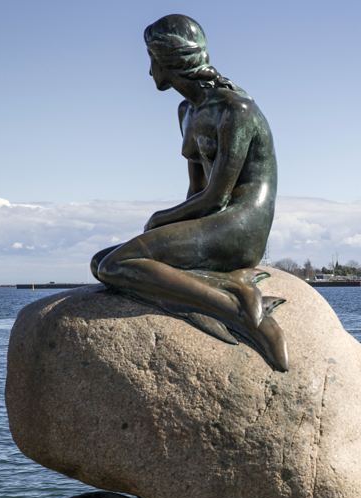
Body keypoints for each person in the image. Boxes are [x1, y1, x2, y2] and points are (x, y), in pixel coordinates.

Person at [91, 15, 287, 370]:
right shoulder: (187, 111)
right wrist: (165, 229)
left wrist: (159, 220)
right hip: (213, 222)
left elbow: (216, 196)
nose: (149, 69)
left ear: (171, 59)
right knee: (101, 262)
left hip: (241, 226)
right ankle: (220, 288)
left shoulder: (235, 110)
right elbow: (195, 190)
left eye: (152, 58)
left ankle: (238, 309)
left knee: (116, 264)